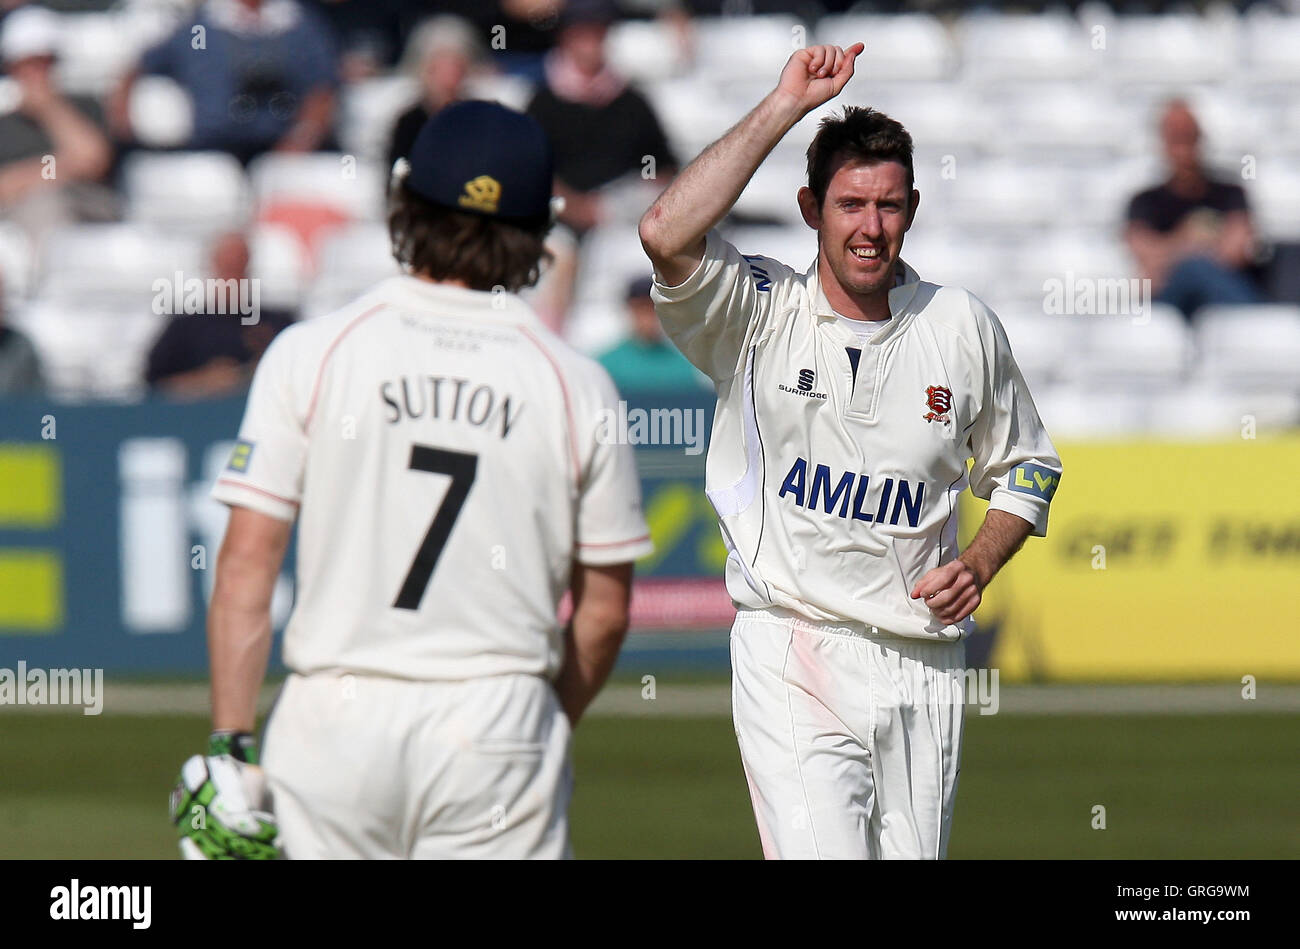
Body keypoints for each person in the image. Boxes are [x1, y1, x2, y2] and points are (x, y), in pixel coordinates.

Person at [170, 101, 653, 859]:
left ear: (403, 200)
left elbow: (245, 566)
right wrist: (542, 718)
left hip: (334, 719)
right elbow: (603, 614)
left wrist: (231, 742)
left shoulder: (315, 351)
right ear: (538, 228)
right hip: (496, 719)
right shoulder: (576, 383)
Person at [639, 44, 1063, 859]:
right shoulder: (760, 310)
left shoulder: (960, 326)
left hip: (924, 660)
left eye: (890, 206)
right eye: (851, 204)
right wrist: (783, 106)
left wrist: (978, 560)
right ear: (810, 208)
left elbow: (1028, 468)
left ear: (913, 208)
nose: (872, 228)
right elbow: (664, 231)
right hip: (791, 639)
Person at [111, 0, 340, 165]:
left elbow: (322, 90)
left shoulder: (300, 25)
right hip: (212, 150)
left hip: (280, 149)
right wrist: (123, 117)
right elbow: (142, 64)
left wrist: (300, 142)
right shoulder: (199, 28)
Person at [525, 0, 677, 236]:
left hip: (625, 224)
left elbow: (662, 165)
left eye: (597, 33)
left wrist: (628, 201)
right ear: (565, 38)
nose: (590, 44)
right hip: (559, 226)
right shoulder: (542, 103)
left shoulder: (632, 102)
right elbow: (532, 175)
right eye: (581, 34)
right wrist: (580, 210)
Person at [1125, 99, 1264, 319]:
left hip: (1223, 297)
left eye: (1188, 137)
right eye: (1175, 138)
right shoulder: (1144, 201)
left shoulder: (1230, 192)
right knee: (1191, 271)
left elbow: (1236, 252)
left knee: (1197, 271)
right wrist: (1192, 238)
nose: (1183, 148)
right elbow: (1145, 256)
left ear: (1200, 138)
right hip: (1171, 298)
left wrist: (1173, 251)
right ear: (1163, 142)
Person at [0, 5, 114, 244]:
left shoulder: (85, 105)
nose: (38, 72)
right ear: (12, 66)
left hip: (84, 207)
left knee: (50, 206)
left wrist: (50, 109)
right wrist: (61, 169)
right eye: (29, 63)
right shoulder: (5, 121)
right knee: (44, 207)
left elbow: (93, 159)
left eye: (45, 62)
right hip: (19, 217)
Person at [145, 232, 295, 400]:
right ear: (212, 269)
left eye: (239, 268)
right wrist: (202, 381)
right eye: (227, 269)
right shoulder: (184, 329)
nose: (233, 278)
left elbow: (299, 374)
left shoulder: (276, 324)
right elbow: (153, 385)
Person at [598, 275, 708, 393]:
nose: (646, 316)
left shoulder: (683, 365)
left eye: (651, 308)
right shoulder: (607, 364)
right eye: (640, 308)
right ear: (630, 309)